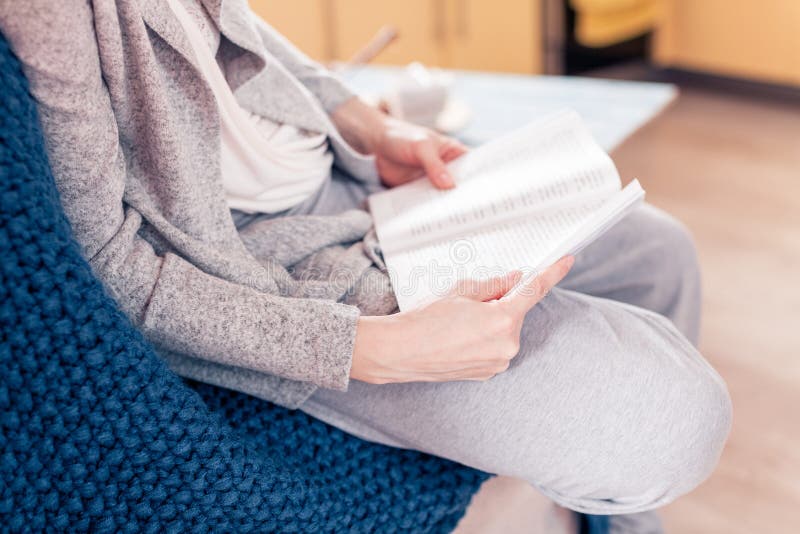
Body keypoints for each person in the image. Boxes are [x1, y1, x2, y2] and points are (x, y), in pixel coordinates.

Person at [0, 0, 731, 529]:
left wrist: (371, 125)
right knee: (678, 423)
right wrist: (364, 348)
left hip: (348, 183)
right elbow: (107, 268)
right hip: (279, 271)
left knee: (661, 253)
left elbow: (243, 36)